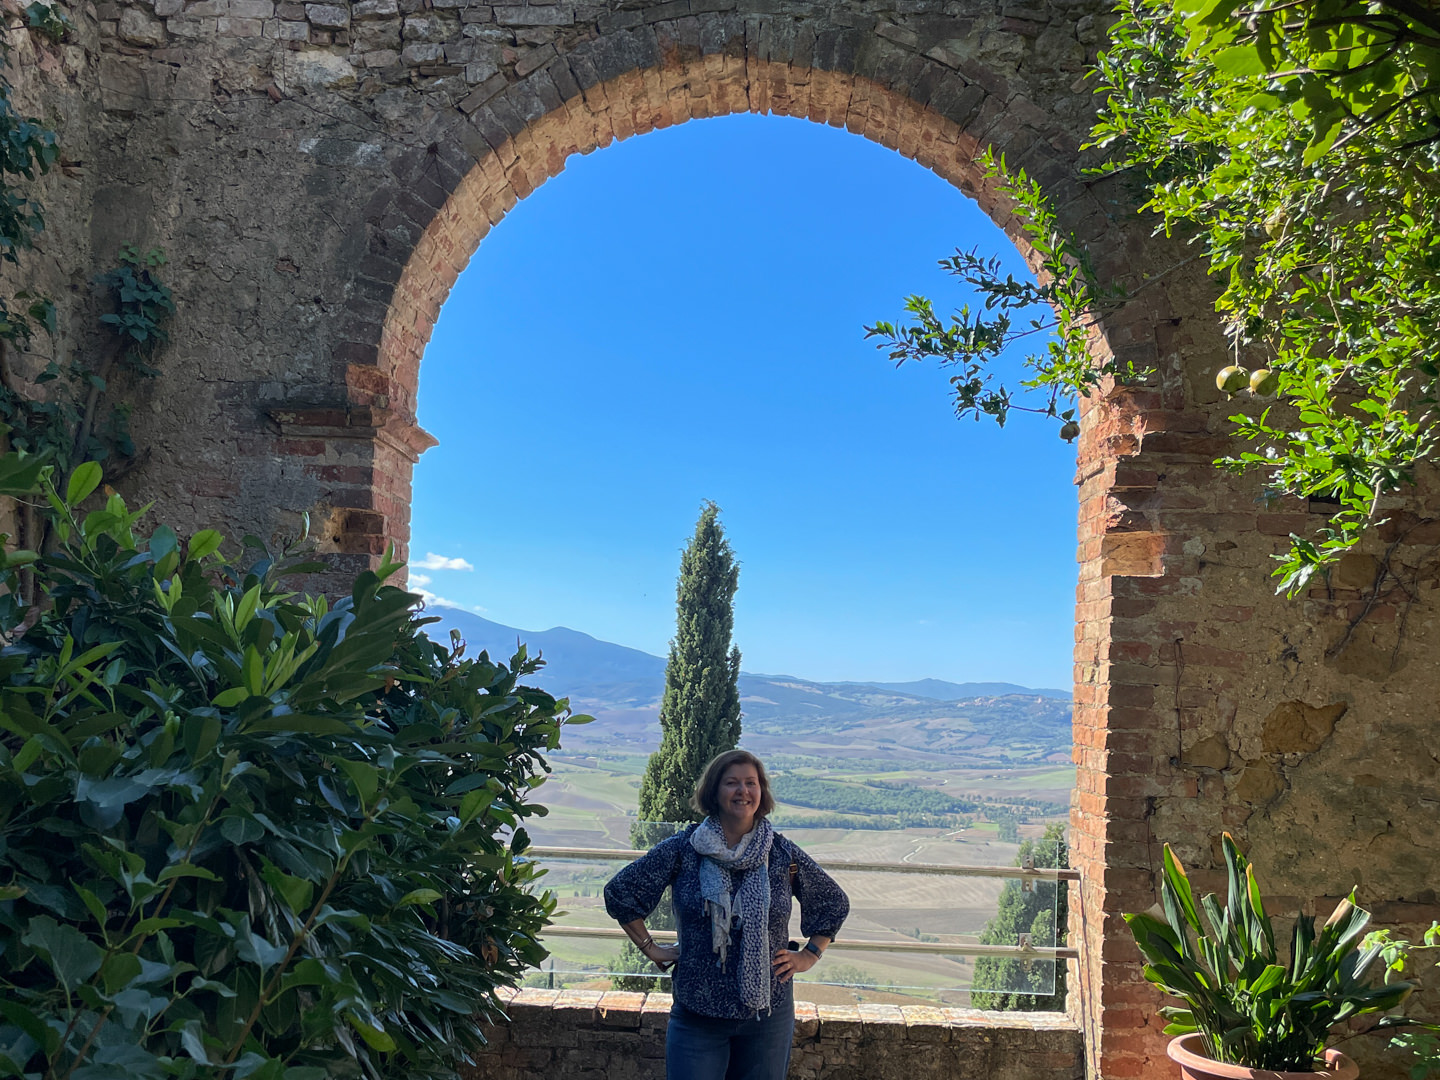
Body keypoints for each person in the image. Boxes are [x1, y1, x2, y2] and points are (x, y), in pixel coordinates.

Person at [604, 749, 850, 1080]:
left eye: (751, 783)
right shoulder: (685, 849)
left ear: (761, 792)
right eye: (731, 782)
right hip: (697, 1017)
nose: (742, 791)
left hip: (768, 1016)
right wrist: (651, 947)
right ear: (714, 792)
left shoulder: (781, 853)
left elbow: (833, 902)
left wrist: (810, 954)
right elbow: (621, 892)